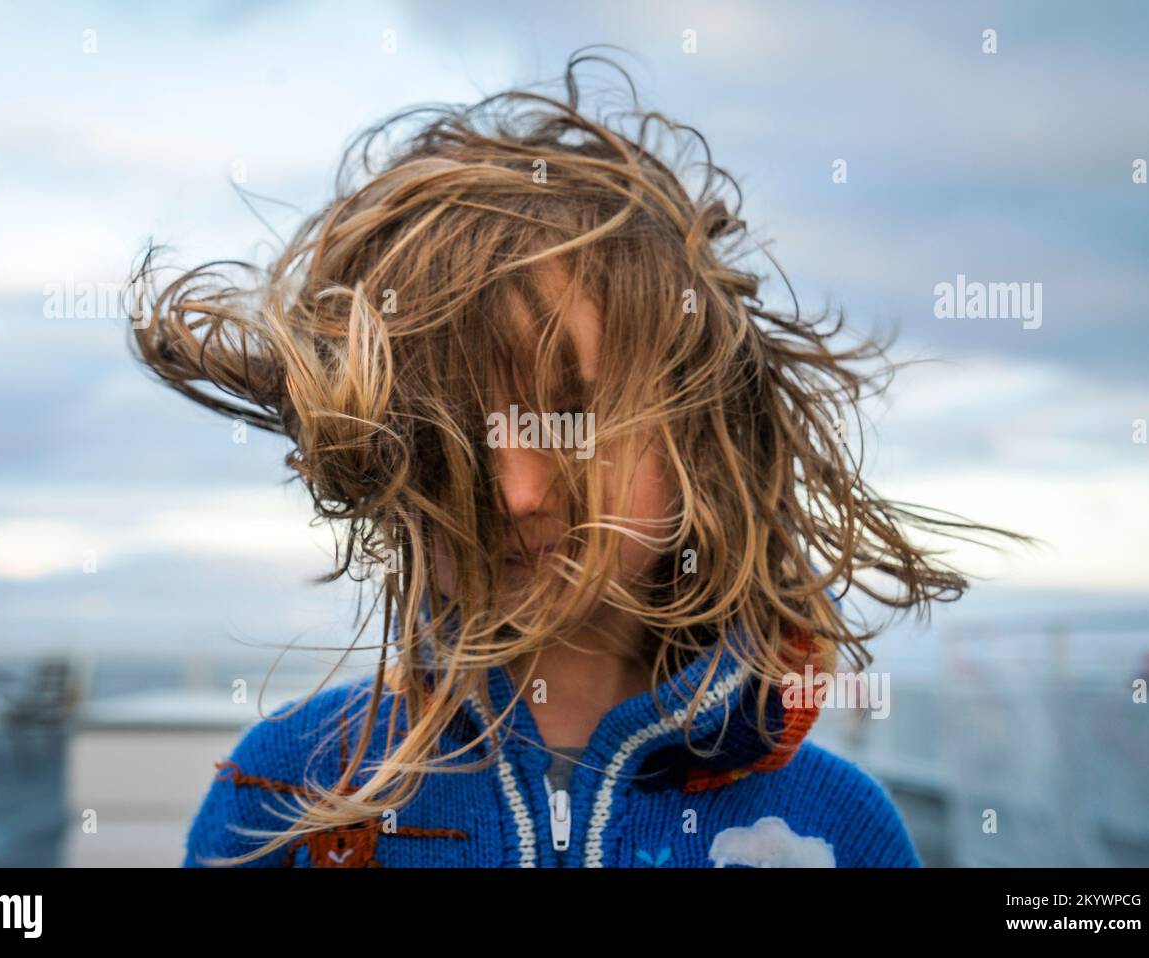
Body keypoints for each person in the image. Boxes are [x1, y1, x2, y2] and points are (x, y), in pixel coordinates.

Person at [130, 50, 1030, 868]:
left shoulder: (835, 828)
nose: (519, 490)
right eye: (449, 430)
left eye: (573, 411)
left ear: (695, 438)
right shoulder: (286, 792)